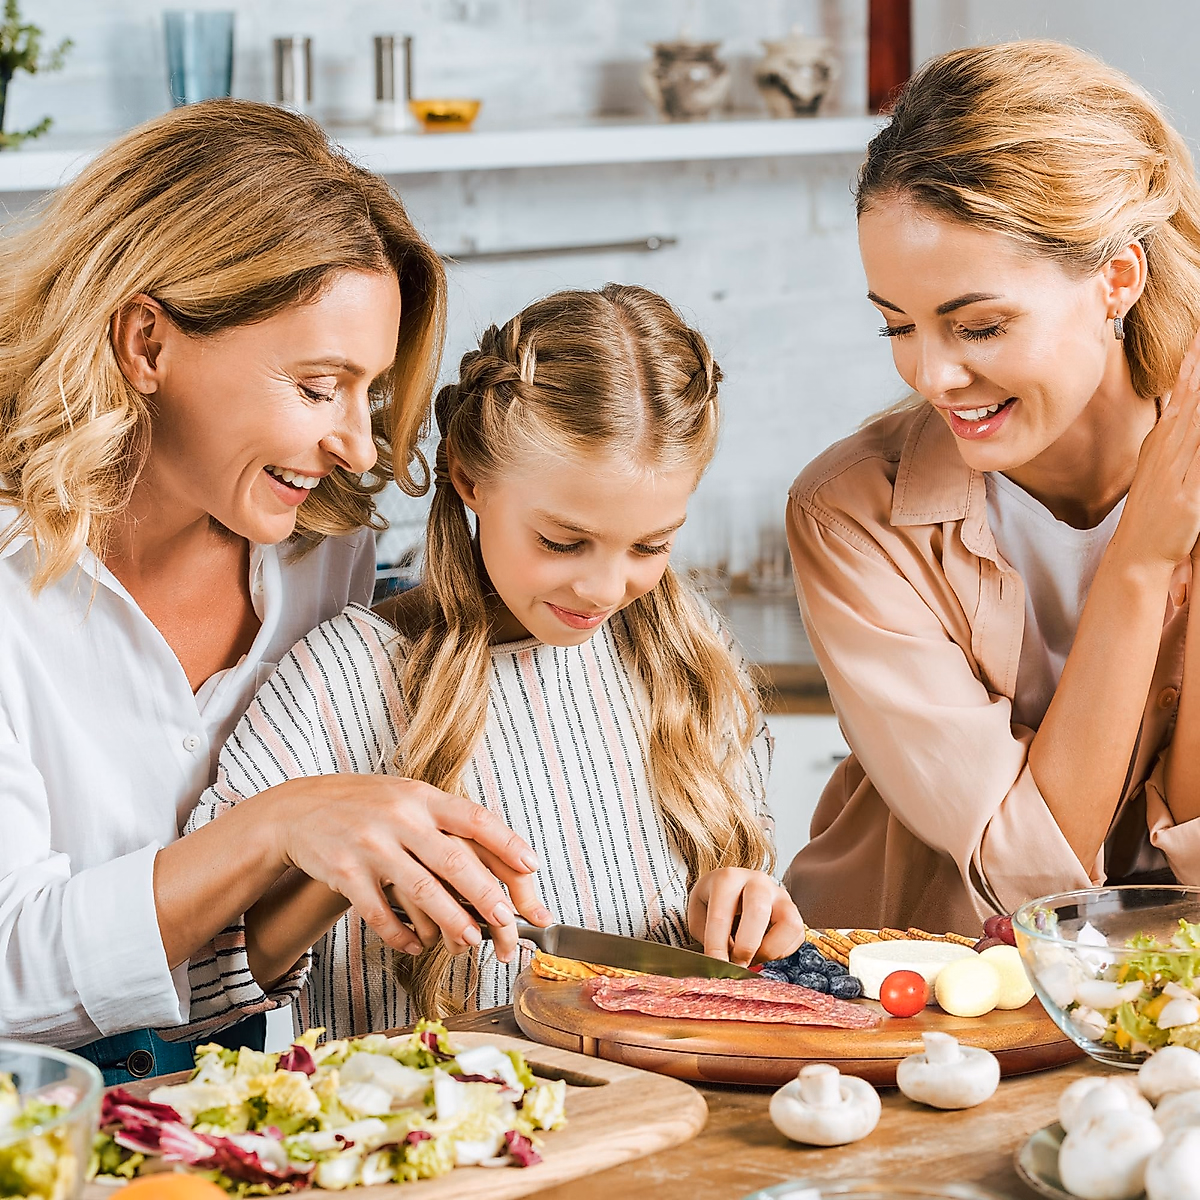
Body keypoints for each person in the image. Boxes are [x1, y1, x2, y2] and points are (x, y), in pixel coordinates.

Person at [0, 99, 545, 1082]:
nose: (359, 446)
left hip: (229, 1100)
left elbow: (241, 952)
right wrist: (279, 824)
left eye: (367, 393)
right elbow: (10, 975)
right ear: (148, 345)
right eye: (315, 386)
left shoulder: (317, 553)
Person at [179, 283, 806, 1037]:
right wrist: (343, 873)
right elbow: (200, 984)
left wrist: (743, 906)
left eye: (650, 545)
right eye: (562, 542)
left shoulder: (682, 652)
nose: (606, 587)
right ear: (473, 481)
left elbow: (741, 904)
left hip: (671, 1116)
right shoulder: (343, 677)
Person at [785, 40, 1200, 934]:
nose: (933, 376)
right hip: (903, 1018)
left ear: (1117, 279)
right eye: (897, 326)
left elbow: (1196, 851)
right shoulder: (852, 513)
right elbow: (1029, 880)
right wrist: (1143, 558)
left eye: (978, 326)